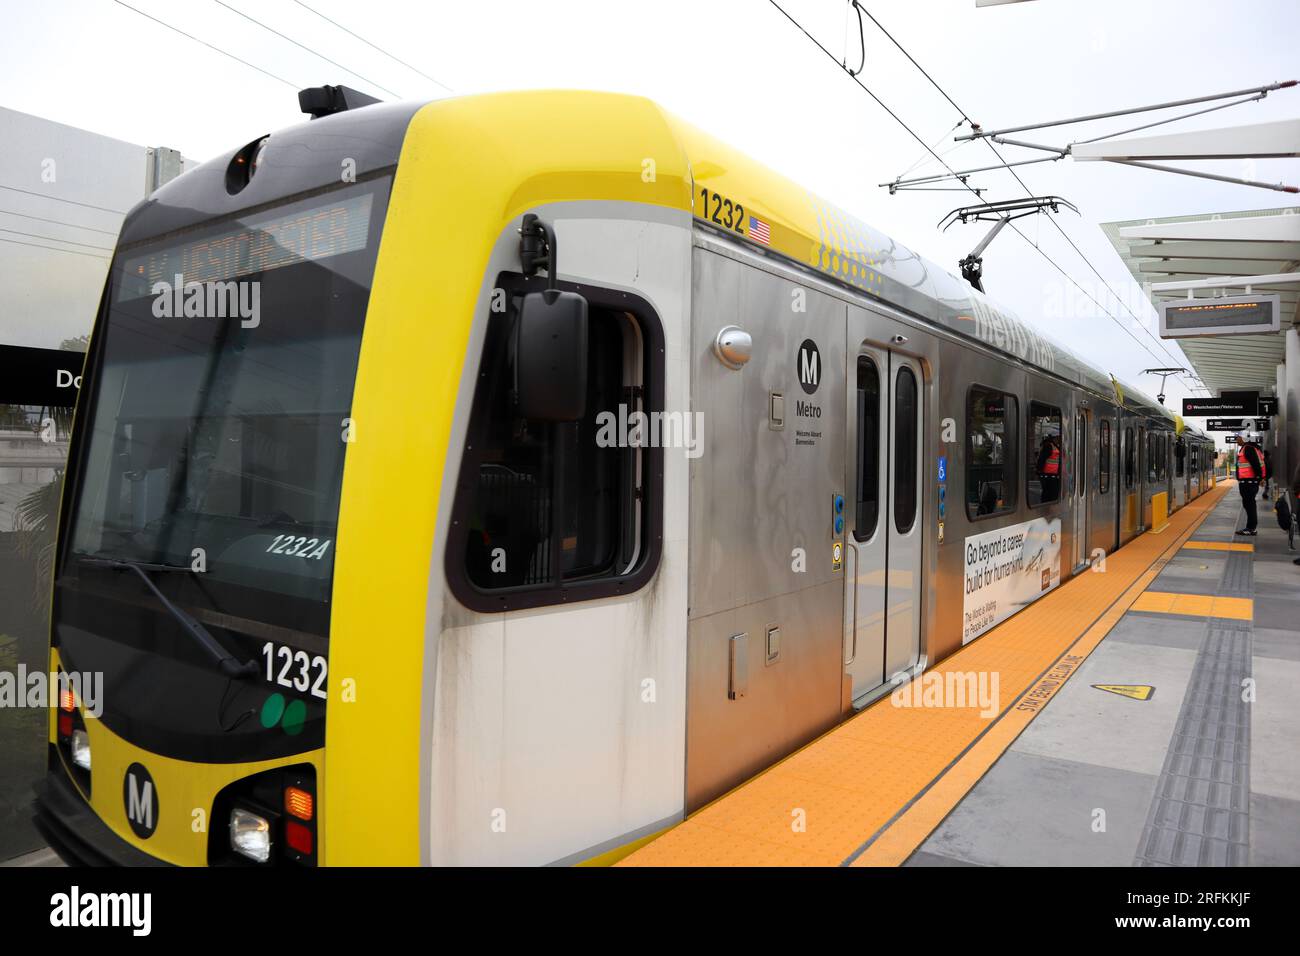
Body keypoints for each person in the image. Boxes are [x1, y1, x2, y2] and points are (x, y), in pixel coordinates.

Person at [1235, 432, 1265, 536]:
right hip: (1248, 481)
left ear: (1243, 438)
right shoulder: (1249, 448)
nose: (1236, 439)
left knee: (1249, 504)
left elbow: (1255, 464)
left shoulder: (1248, 448)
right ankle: (1251, 527)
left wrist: (1259, 478)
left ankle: (1251, 528)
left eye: (1238, 437)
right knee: (1249, 504)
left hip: (1249, 482)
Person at [1036, 434, 1062, 504]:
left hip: (1053, 475)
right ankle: (1047, 508)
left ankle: (1049, 507)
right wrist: (1039, 471)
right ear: (1055, 438)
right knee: (1049, 494)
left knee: (1051, 494)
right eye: (1058, 437)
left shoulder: (1055, 446)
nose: (1059, 439)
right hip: (1048, 475)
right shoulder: (1049, 446)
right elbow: (1042, 459)